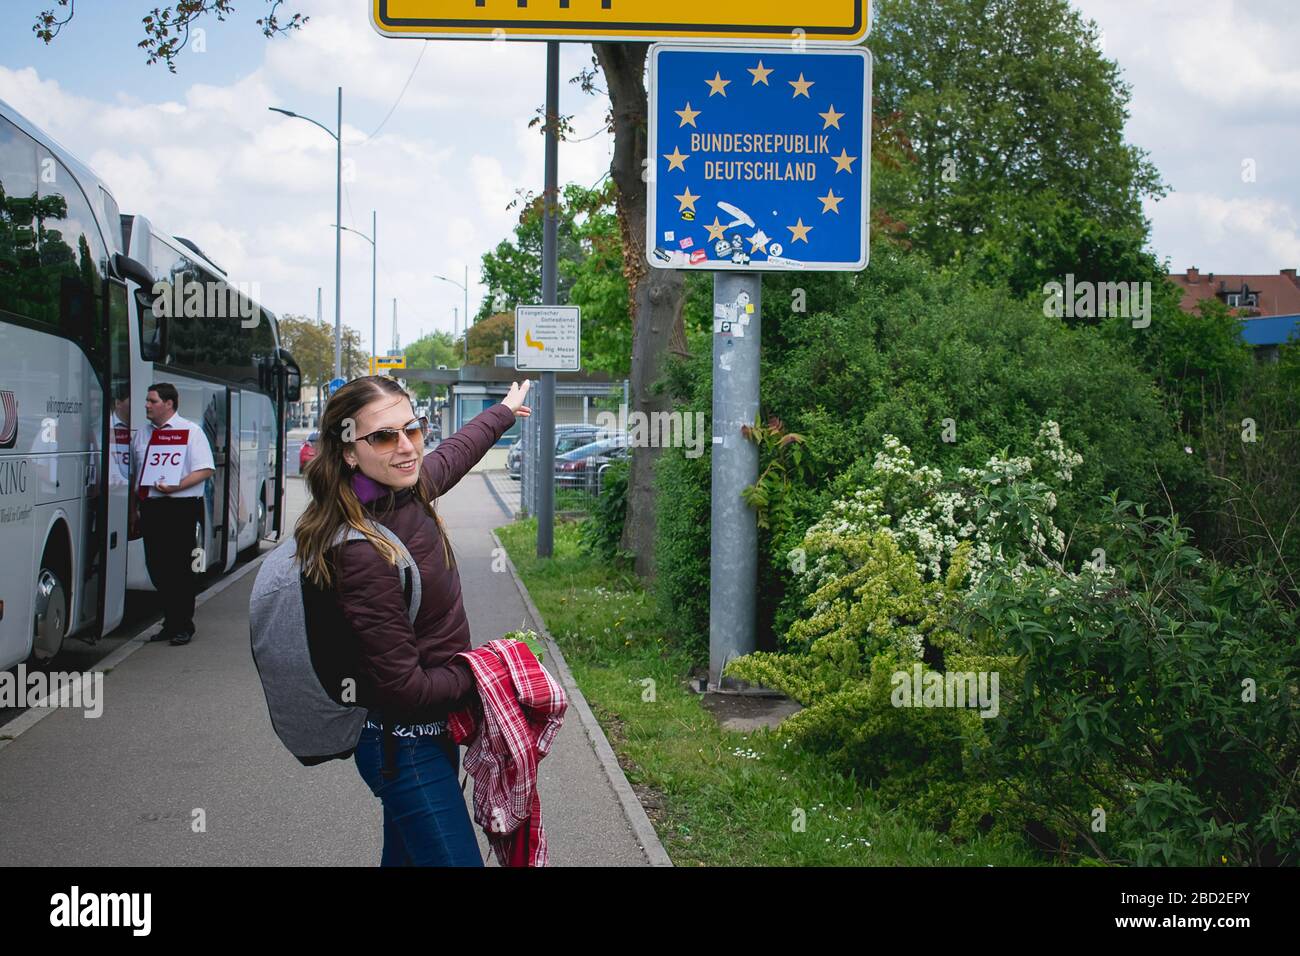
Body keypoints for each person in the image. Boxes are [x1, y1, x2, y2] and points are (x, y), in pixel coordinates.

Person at [294, 374, 531, 867]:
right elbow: (403, 688)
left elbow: (454, 454)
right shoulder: (359, 551)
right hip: (402, 745)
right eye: (383, 436)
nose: (406, 447)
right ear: (349, 452)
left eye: (413, 429)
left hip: (429, 732)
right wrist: (487, 671)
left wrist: (503, 412)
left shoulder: (407, 489)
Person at [131, 383, 215, 646]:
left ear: (169, 404)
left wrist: (176, 486)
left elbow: (205, 469)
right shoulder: (143, 434)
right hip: (152, 506)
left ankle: (183, 625)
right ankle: (169, 621)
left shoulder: (191, 432)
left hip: (181, 506)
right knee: (156, 566)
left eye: (152, 401)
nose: (147, 405)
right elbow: (137, 474)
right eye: (147, 400)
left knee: (179, 567)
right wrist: (134, 507)